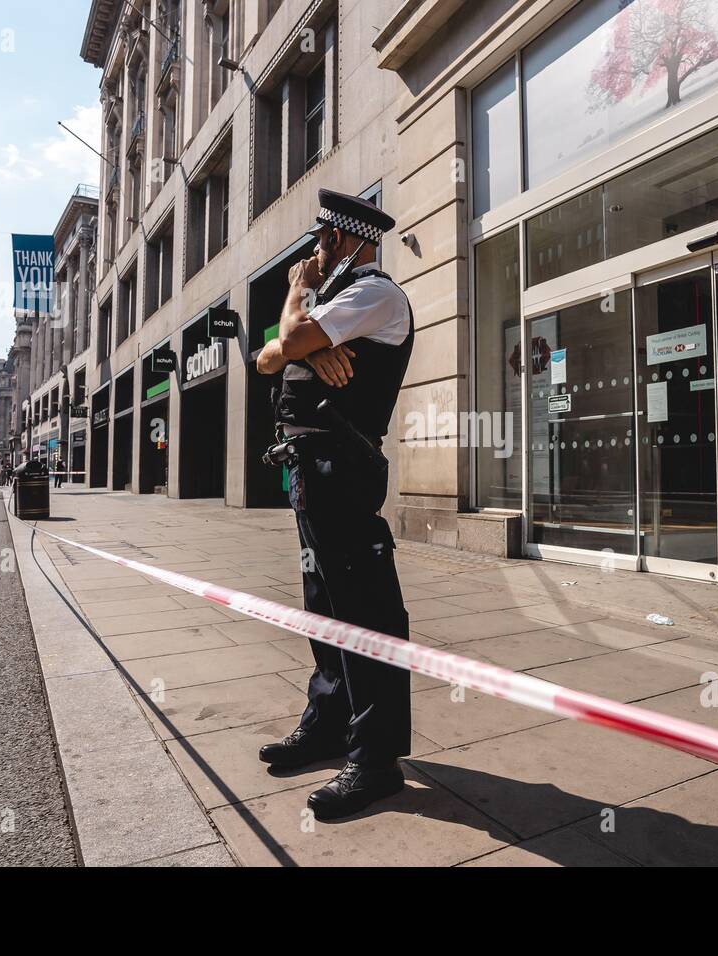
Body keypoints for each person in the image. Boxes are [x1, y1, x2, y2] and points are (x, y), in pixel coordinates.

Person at [253, 188, 414, 820]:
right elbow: (269, 358)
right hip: (310, 473)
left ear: (347, 242)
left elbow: (284, 338)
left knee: (366, 612)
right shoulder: (341, 305)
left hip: (344, 472)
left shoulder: (374, 294)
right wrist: (310, 347)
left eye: (324, 242)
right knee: (323, 605)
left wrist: (297, 302)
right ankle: (328, 724)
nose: (316, 255)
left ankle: (375, 760)